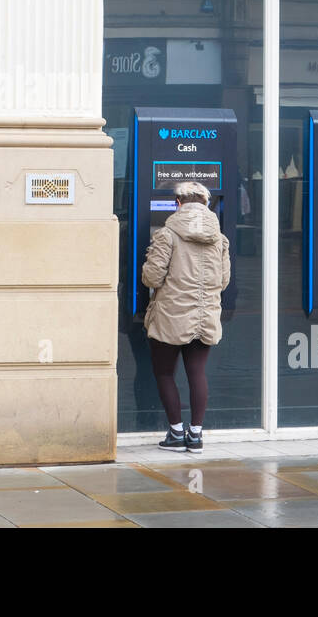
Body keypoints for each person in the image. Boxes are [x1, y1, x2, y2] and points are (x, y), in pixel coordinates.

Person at [141, 181, 232, 454]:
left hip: (171, 314)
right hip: (205, 315)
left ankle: (176, 433)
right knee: (197, 373)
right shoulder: (220, 239)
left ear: (178, 204)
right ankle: (196, 435)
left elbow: (152, 276)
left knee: (165, 372)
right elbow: (224, 280)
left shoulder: (166, 235)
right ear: (206, 204)